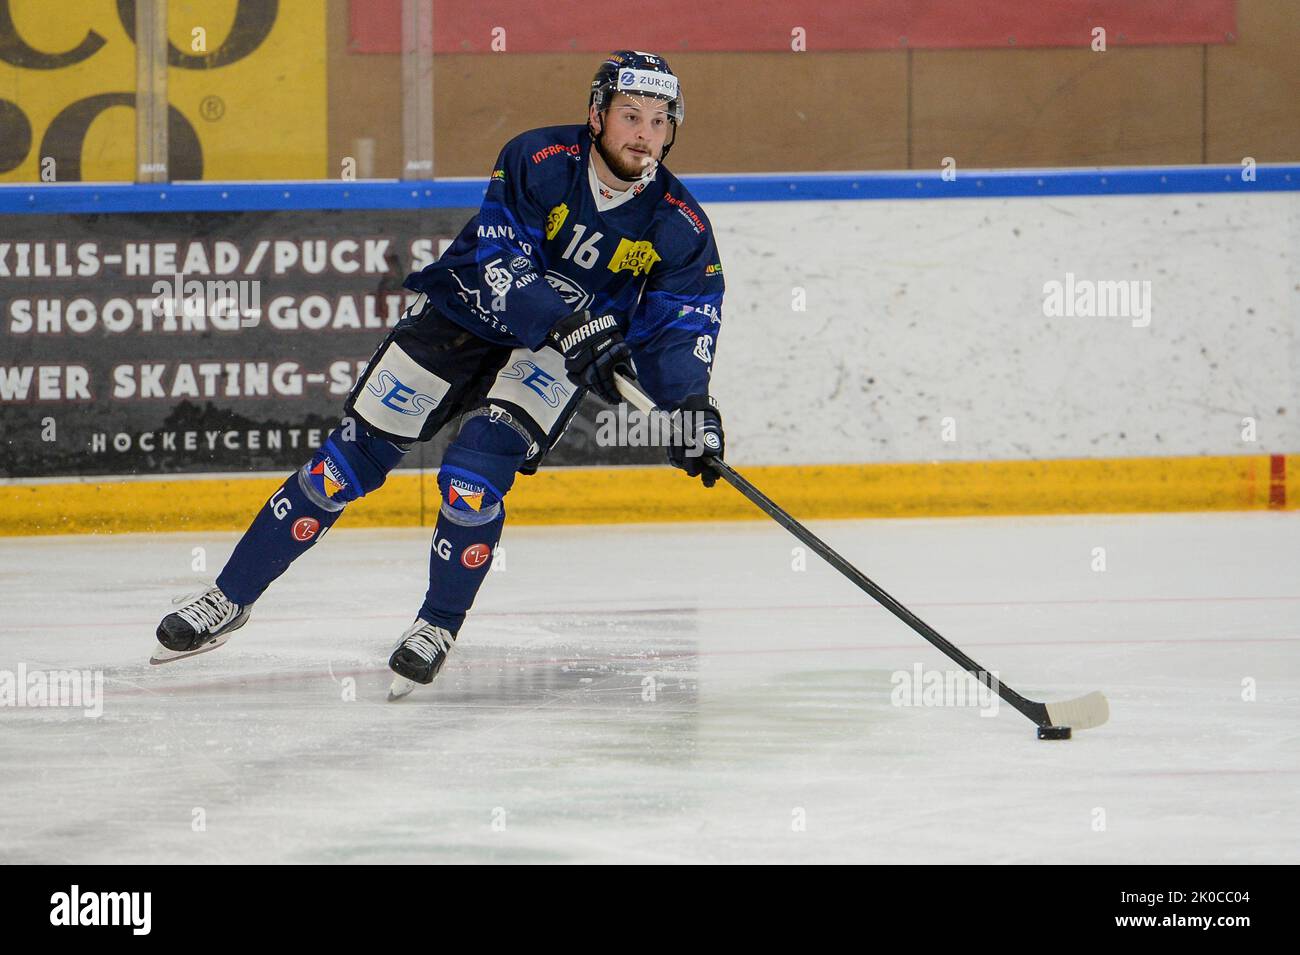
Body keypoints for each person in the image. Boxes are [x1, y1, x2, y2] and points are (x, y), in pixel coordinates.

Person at [153, 50, 727, 698]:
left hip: (549, 356)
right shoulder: (537, 160)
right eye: (630, 115)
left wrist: (690, 407)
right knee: (341, 467)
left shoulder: (680, 226)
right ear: (597, 115)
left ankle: (436, 624)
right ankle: (229, 596)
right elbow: (503, 258)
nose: (643, 133)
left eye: (658, 120)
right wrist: (563, 321)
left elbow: (682, 325)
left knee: (472, 481)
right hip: (463, 316)